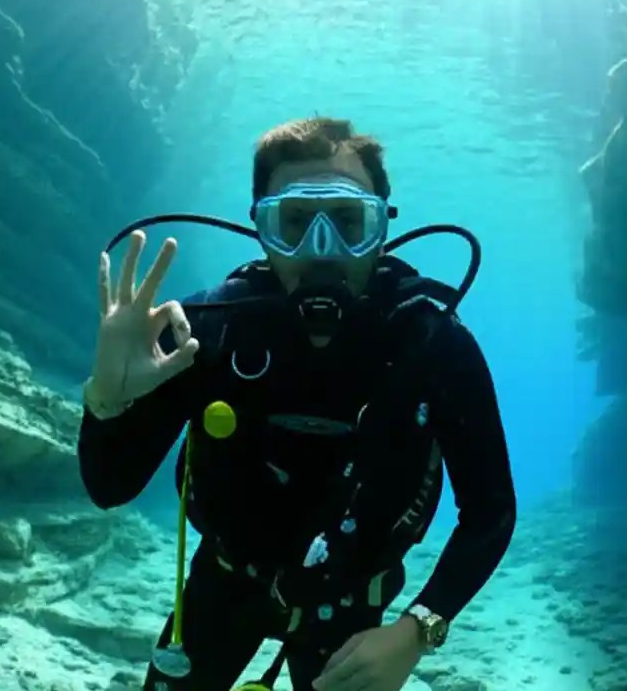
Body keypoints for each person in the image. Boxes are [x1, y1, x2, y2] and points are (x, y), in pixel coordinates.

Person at [78, 117, 517, 691]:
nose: (321, 251)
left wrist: (416, 630)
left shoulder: (431, 346)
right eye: (294, 223)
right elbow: (109, 488)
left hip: (353, 605)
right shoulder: (205, 333)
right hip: (223, 588)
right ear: (261, 230)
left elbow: (490, 513)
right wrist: (107, 401)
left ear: (381, 227)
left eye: (348, 223)